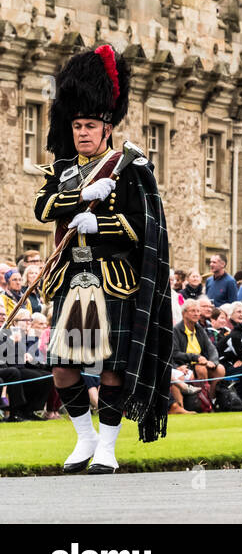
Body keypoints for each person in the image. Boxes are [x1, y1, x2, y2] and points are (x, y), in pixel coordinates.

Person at [33, 45, 173, 473]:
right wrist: (77, 198)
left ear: (107, 127)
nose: (82, 133)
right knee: (63, 367)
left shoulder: (129, 167)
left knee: (112, 368)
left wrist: (100, 225)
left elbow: (141, 228)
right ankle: (85, 438)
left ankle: (108, 449)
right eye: (77, 125)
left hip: (112, 276)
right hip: (72, 276)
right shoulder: (61, 170)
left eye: (90, 125)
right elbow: (42, 208)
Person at [171, 298, 238, 411]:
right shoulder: (176, 330)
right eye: (193, 311)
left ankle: (211, 399)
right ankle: (201, 402)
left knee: (220, 369)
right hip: (184, 364)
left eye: (198, 311)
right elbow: (175, 353)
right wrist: (196, 357)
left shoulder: (199, 329)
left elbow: (212, 349)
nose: (196, 314)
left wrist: (213, 361)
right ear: (184, 313)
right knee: (201, 369)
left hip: (201, 362)